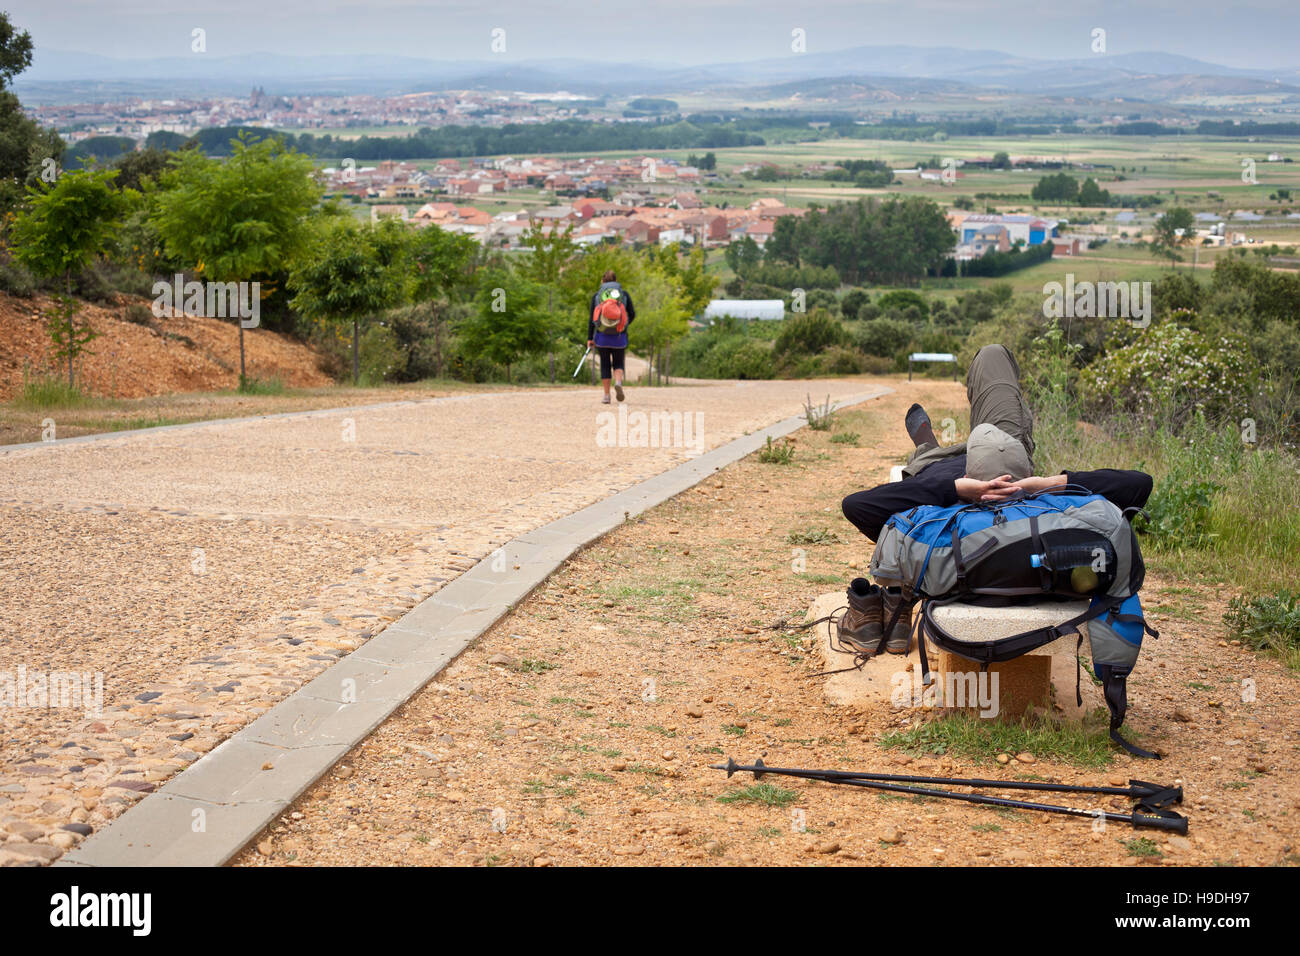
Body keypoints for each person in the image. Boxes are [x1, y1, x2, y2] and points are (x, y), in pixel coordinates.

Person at [837, 344, 1153, 654]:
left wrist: (958, 488)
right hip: (1008, 466)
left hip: (952, 477)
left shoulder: (935, 526)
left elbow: (857, 505)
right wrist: (1047, 484)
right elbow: (1139, 484)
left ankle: (927, 444)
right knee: (994, 355)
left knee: (928, 458)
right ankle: (931, 446)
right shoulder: (1047, 506)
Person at [587, 270, 636, 404]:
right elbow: (632, 313)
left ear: (603, 281)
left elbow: (592, 319)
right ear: (616, 281)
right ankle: (618, 382)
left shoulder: (597, 296)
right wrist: (624, 325)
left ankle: (606, 395)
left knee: (605, 364)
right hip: (619, 335)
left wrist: (590, 338)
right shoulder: (624, 295)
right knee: (618, 363)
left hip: (602, 336)